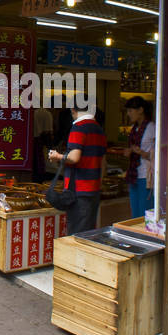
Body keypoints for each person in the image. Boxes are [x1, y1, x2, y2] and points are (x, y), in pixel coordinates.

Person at [50, 99, 106, 239]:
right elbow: (103, 161)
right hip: (93, 189)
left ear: (73, 110)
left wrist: (57, 156)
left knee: (77, 234)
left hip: (79, 190)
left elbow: (74, 157)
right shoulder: (98, 129)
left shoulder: (79, 127)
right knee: (88, 232)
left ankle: (78, 261)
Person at [120, 97, 156, 217]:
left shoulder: (152, 128)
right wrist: (130, 151)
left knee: (144, 213)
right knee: (135, 213)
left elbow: (160, 154)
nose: (128, 114)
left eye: (131, 111)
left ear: (140, 110)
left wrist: (142, 153)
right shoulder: (134, 128)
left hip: (146, 176)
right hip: (134, 175)